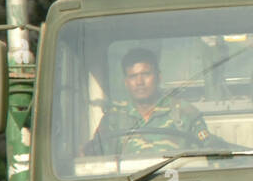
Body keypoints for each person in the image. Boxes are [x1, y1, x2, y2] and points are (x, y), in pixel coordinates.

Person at [84, 48, 212, 156]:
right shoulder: (114, 118)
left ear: (158, 77)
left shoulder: (185, 112)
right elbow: (95, 161)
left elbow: (210, 153)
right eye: (133, 76)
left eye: (146, 74)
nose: (139, 82)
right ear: (126, 82)